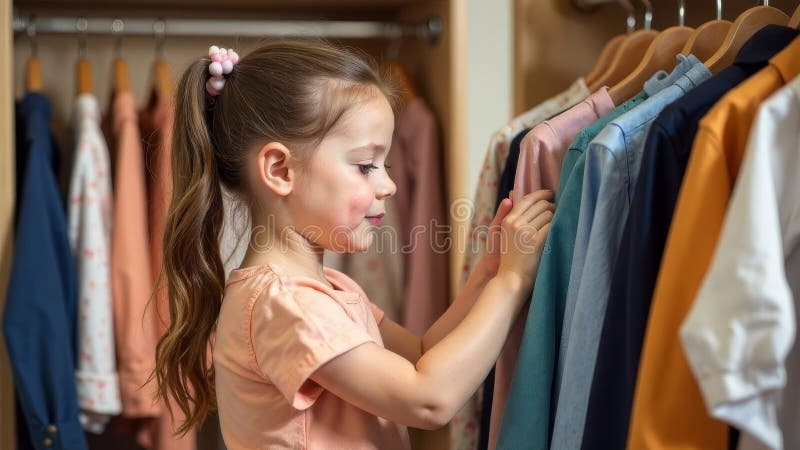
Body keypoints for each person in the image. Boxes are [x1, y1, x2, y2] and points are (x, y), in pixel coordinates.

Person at [153, 39, 555, 449]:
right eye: (366, 166)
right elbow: (428, 400)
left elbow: (418, 354)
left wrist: (488, 274)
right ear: (280, 170)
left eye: (385, 165)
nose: (389, 184)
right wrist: (512, 282)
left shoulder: (329, 289)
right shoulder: (285, 305)